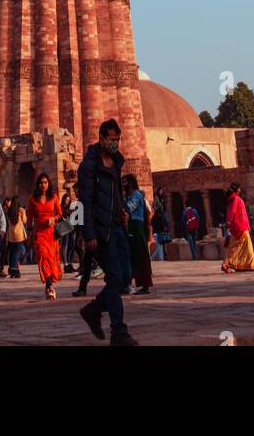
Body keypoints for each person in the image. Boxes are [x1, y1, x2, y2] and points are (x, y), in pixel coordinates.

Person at [76, 119, 139, 346]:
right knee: (114, 277)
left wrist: (124, 211)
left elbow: (116, 195)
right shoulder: (89, 166)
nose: (116, 144)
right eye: (113, 140)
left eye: (118, 140)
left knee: (123, 278)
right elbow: (85, 201)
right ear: (102, 138)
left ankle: (93, 309)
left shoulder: (116, 162)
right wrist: (89, 233)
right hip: (101, 231)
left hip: (117, 227)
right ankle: (118, 331)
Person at [26, 172, 62, 299]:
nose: (43, 185)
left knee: (51, 259)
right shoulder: (33, 200)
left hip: (51, 233)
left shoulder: (54, 197)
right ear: (37, 185)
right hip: (39, 233)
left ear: (48, 184)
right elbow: (29, 218)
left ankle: (49, 285)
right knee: (43, 256)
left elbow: (59, 214)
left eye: (45, 182)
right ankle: (50, 285)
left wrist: (54, 219)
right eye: (41, 183)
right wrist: (29, 234)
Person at [123, 173, 153, 294]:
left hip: (137, 227)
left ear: (130, 183)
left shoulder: (136, 195)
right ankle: (129, 283)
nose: (123, 184)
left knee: (140, 256)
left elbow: (129, 208)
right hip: (131, 227)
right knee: (131, 256)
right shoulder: (128, 195)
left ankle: (145, 285)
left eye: (125, 182)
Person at [221, 183, 254, 274]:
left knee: (242, 247)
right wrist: (229, 222)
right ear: (237, 189)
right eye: (239, 189)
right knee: (244, 247)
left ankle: (242, 265)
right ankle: (227, 263)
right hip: (240, 226)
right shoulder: (235, 199)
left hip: (237, 226)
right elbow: (232, 211)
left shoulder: (232, 199)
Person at [6, 196, 27, 276]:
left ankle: (12, 268)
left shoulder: (9, 211)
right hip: (19, 235)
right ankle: (14, 269)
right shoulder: (20, 210)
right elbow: (24, 221)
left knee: (12, 253)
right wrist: (24, 213)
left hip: (11, 235)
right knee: (17, 252)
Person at [59, 187, 77, 272]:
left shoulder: (70, 208)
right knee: (64, 246)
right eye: (66, 199)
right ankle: (66, 265)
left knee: (72, 245)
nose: (67, 201)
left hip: (71, 228)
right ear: (63, 200)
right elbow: (60, 217)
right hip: (64, 228)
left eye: (68, 200)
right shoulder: (61, 207)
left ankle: (70, 263)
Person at [150, 191, 170, 262]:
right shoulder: (160, 218)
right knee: (160, 246)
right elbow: (163, 224)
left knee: (160, 246)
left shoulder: (154, 218)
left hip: (155, 233)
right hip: (158, 233)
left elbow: (151, 224)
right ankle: (155, 258)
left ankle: (160, 258)